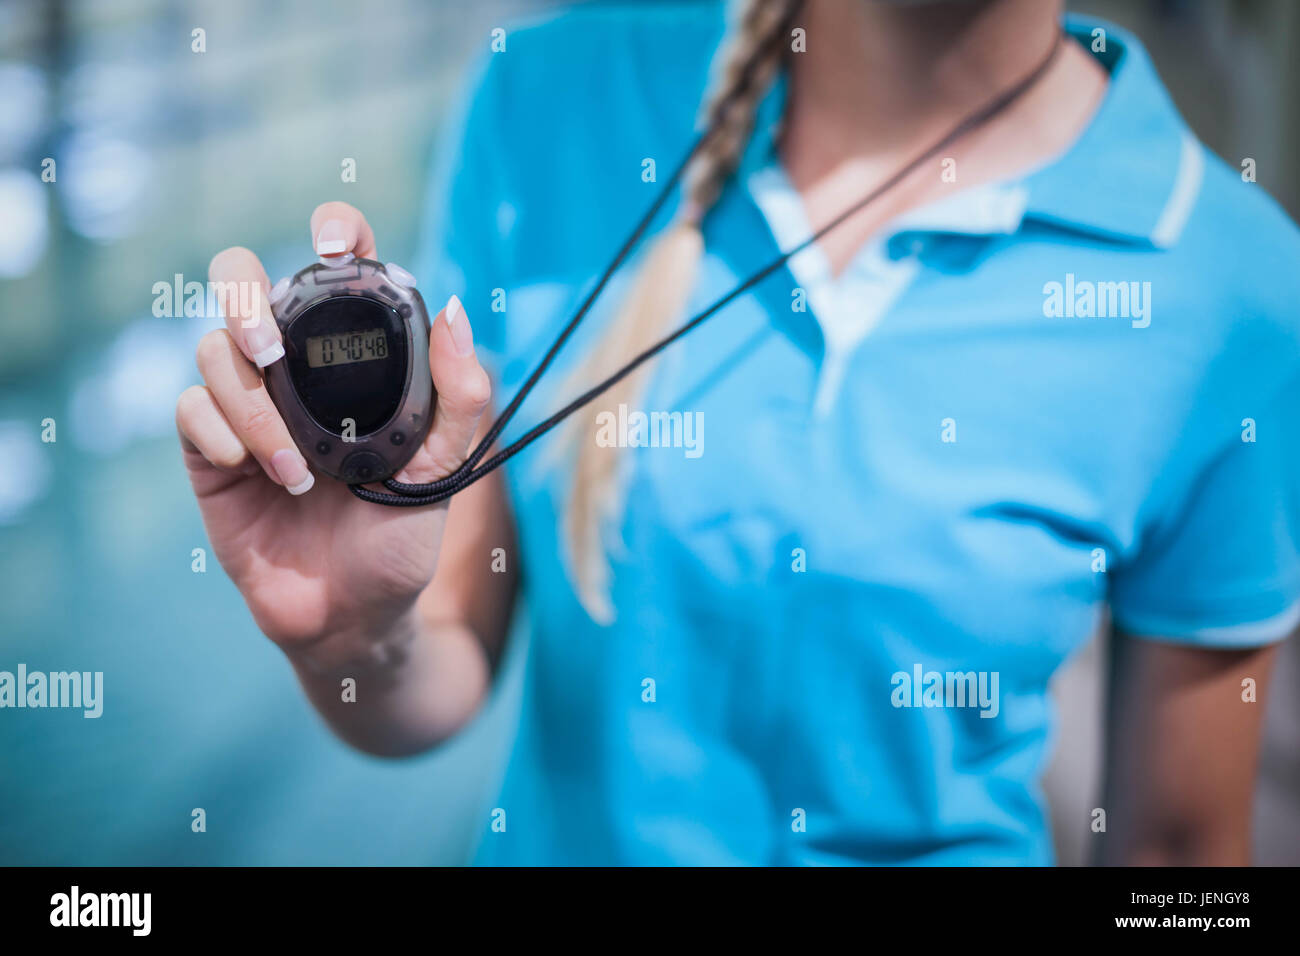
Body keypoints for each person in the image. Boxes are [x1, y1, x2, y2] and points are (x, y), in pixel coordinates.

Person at [174, 0, 1300, 865]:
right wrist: (348, 636)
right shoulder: (546, 102)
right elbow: (444, 657)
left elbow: (1179, 858)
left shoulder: (1232, 286)